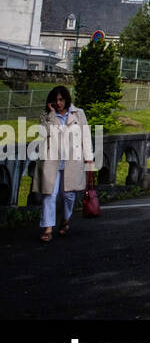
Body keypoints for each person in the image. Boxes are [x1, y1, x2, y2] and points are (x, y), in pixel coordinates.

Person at [34, 85, 93, 242]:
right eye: (55, 100)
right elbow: (44, 133)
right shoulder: (46, 116)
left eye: (61, 99)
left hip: (72, 160)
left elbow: (85, 136)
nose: (58, 103)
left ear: (66, 99)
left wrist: (89, 158)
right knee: (49, 195)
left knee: (69, 195)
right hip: (51, 161)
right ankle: (47, 228)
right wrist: (52, 115)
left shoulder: (78, 114)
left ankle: (66, 219)